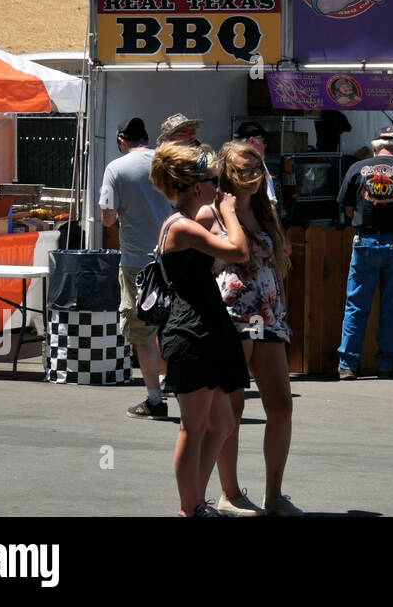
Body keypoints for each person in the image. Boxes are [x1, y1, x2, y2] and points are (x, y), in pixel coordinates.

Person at [149, 142, 251, 518]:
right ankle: (187, 508)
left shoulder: (188, 221)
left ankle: (196, 501)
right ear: (196, 188)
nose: (217, 187)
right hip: (189, 331)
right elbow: (238, 251)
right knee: (192, 427)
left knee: (222, 421)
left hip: (207, 327)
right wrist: (229, 211)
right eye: (212, 182)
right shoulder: (180, 228)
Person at [206, 142, 302, 517]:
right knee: (231, 407)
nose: (251, 176)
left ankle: (274, 494)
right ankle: (229, 493)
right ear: (226, 173)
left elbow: (283, 253)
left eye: (256, 169)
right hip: (230, 315)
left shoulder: (267, 211)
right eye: (243, 170)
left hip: (268, 315)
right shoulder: (211, 212)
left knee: (280, 404)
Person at [99, 117, 174, 419]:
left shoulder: (116, 169)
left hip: (137, 261)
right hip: (173, 255)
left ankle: (155, 400)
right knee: (171, 324)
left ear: (121, 141)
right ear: (147, 137)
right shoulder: (165, 163)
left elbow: (107, 218)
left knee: (143, 331)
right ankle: (174, 383)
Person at [335, 136, 393, 380]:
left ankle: (347, 365)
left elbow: (347, 208)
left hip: (364, 241)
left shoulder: (357, 169)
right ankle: (386, 365)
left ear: (375, 151)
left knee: (356, 305)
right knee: (392, 307)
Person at [232, 120, 278, 206]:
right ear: (252, 141)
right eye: (264, 141)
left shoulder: (226, 162)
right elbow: (269, 201)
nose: (265, 145)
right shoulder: (258, 165)